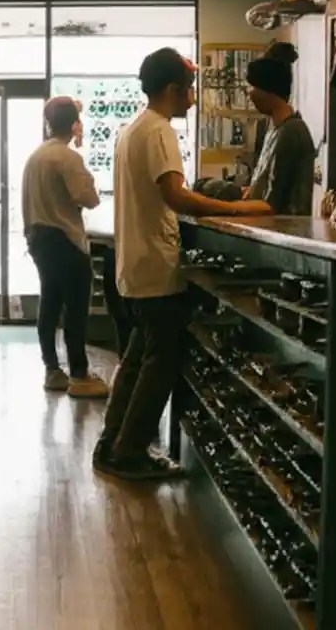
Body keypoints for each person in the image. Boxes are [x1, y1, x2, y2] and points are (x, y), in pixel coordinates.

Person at [95, 48, 272, 482]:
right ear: (173, 89)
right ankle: (131, 453)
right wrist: (236, 209)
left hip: (134, 265)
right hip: (157, 267)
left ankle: (112, 444)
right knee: (159, 364)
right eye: (190, 90)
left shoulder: (131, 130)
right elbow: (175, 195)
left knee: (137, 360)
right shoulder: (159, 131)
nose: (193, 98)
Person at [23, 97, 109, 398]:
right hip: (64, 239)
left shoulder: (36, 156)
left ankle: (52, 369)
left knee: (49, 302)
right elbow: (89, 198)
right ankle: (80, 375)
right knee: (75, 308)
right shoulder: (67, 157)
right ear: (74, 125)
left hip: (38, 237)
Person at [241, 42, 318, 215]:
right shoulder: (275, 130)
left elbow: (272, 205)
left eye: (251, 87)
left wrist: (218, 207)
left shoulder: (292, 132)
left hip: (285, 229)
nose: (249, 94)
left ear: (266, 91)